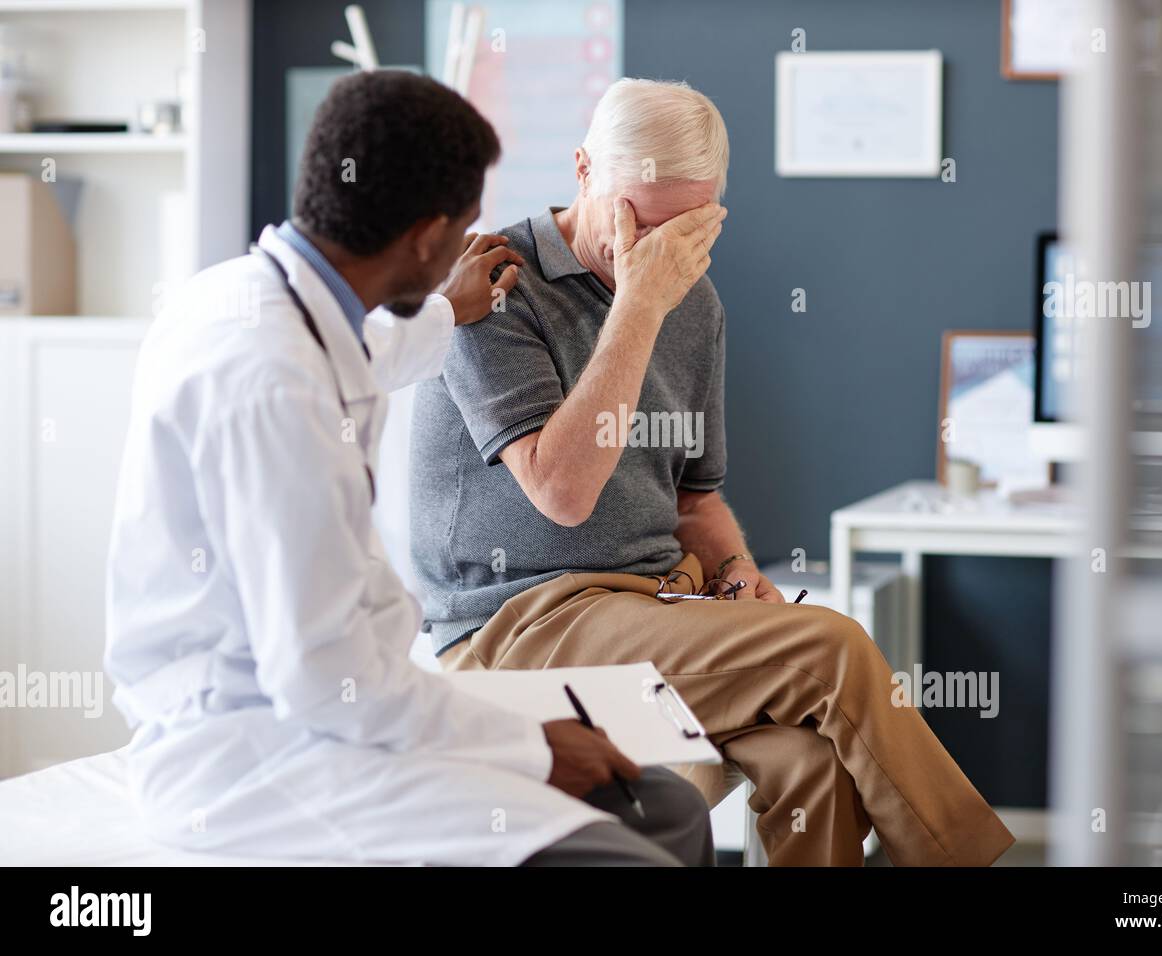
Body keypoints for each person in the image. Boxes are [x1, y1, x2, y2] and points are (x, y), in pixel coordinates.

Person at [104, 70, 714, 867]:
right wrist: (531, 744)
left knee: (665, 804)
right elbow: (324, 677)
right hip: (263, 752)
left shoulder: (248, 298)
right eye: (463, 226)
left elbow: (362, 350)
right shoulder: (271, 388)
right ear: (429, 237)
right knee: (630, 848)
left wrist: (444, 307)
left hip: (330, 708)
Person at [411, 78, 1015, 866]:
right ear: (583, 170)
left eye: (686, 228)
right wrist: (638, 307)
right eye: (640, 220)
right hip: (518, 624)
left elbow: (696, 497)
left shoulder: (694, 302)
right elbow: (563, 493)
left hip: (658, 601)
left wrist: (733, 566)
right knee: (831, 649)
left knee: (812, 762)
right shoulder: (493, 286)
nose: (656, 252)